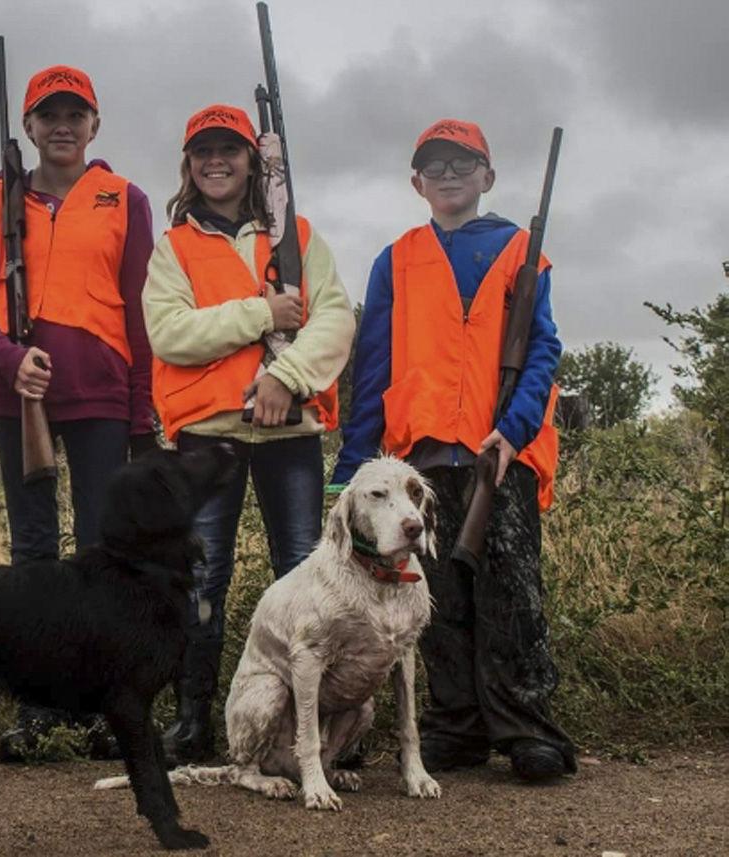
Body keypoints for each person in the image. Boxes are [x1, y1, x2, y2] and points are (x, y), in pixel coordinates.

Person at [331, 118, 577, 782]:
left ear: (487, 177)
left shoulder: (521, 249)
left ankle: (527, 729)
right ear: (417, 182)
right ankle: (456, 727)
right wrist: (353, 463)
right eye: (433, 166)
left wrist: (516, 428)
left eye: (461, 163)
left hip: (502, 451)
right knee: (436, 600)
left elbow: (543, 349)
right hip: (423, 460)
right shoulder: (397, 257)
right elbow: (373, 364)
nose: (447, 175)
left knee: (512, 592)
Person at [0, 65, 155, 762]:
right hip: (21, 402)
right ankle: (38, 708)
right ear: (30, 127)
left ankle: (109, 708)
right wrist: (9, 359)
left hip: (103, 394)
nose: (62, 124)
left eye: (75, 113)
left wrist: (143, 410)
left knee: (104, 554)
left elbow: (141, 309)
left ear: (94, 125)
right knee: (33, 554)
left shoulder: (125, 197)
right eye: (48, 114)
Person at [144, 104, 355, 762]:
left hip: (289, 433)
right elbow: (170, 333)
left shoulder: (300, 235)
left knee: (305, 576)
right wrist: (260, 312)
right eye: (203, 150)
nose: (216, 161)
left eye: (229, 149)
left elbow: (336, 318)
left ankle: (312, 728)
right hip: (208, 434)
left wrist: (284, 377)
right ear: (189, 164)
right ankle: (192, 720)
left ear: (251, 161)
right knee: (201, 582)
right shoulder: (172, 247)